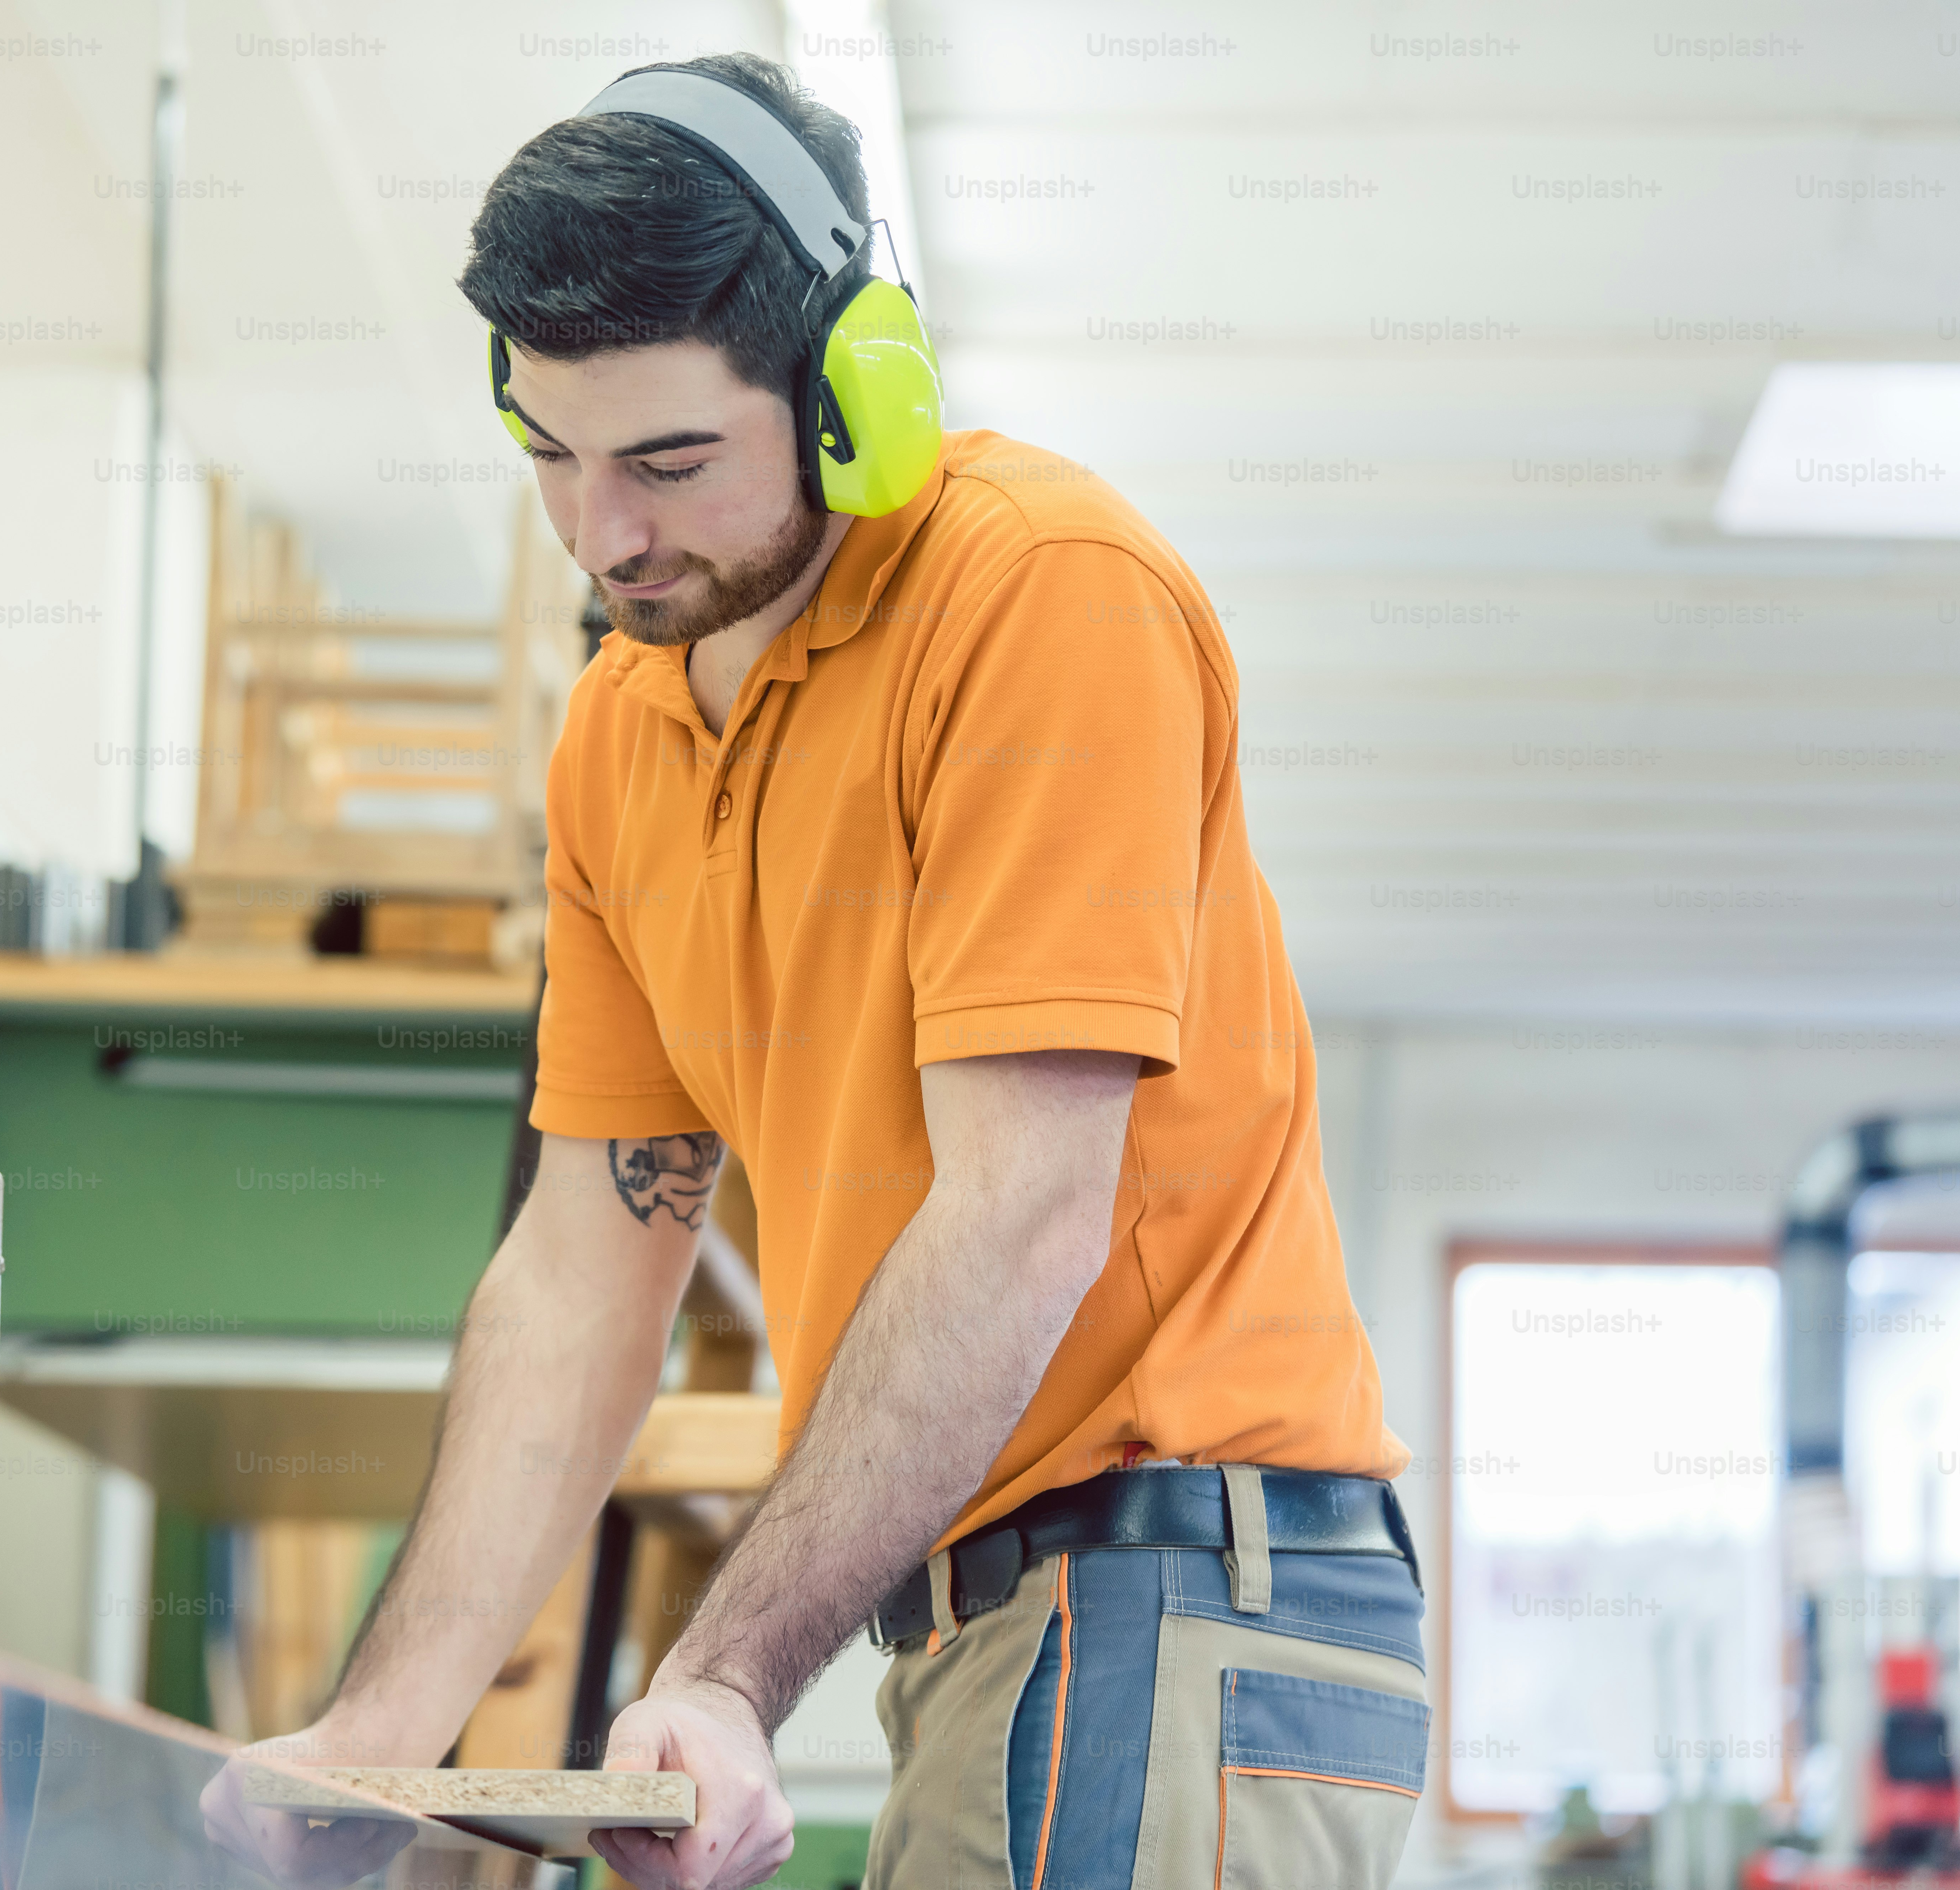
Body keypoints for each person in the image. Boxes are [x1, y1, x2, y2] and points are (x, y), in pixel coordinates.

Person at [204, 51, 1424, 1890]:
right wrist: (375, 1736)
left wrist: (720, 1676)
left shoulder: (1040, 596)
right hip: (981, 1622)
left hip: (1176, 1579)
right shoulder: (620, 737)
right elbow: (581, 1266)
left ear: (857, 391)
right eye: (551, 456)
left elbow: (1024, 1212)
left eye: (670, 462)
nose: (605, 534)